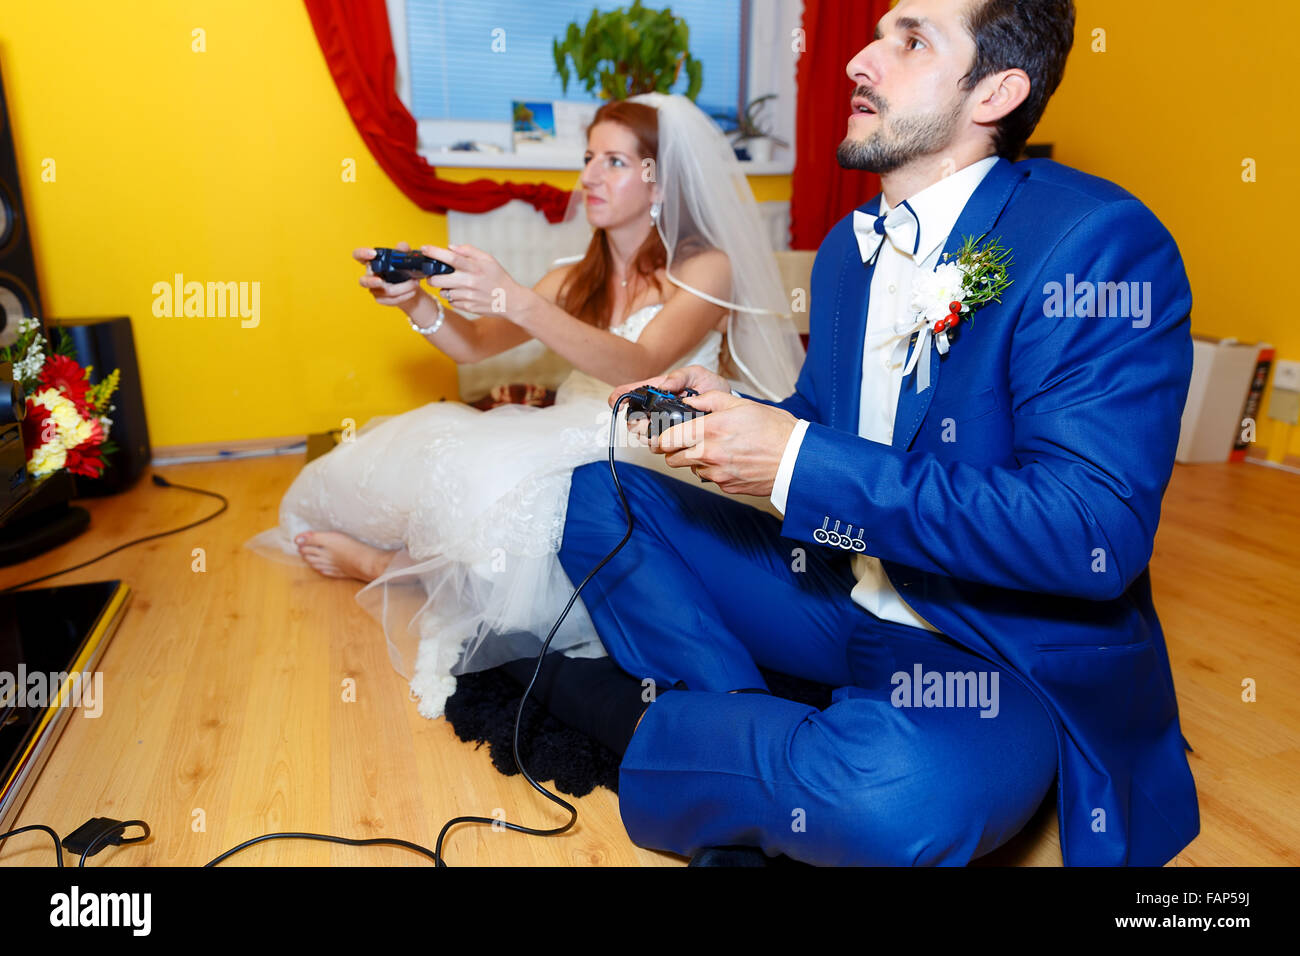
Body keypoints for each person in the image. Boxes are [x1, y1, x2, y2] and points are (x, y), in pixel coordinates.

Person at [541, 0, 1200, 866]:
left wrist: (797, 458)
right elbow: (828, 426)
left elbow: (1089, 530)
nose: (858, 57)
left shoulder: (1096, 243)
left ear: (996, 91)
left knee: (890, 794)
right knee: (604, 492)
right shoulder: (848, 252)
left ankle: (699, 739)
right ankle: (746, 719)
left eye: (911, 39)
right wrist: (746, 414)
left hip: (985, 646)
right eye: (878, 30)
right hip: (838, 588)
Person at [245, 94, 804, 720]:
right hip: (566, 423)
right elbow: (475, 348)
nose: (589, 175)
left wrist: (517, 299)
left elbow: (638, 363)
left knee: (527, 493)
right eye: (589, 157)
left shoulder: (705, 268)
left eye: (615, 161)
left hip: (649, 440)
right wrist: (415, 304)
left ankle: (390, 567)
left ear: (658, 181)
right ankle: (414, 561)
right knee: (448, 451)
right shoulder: (572, 277)